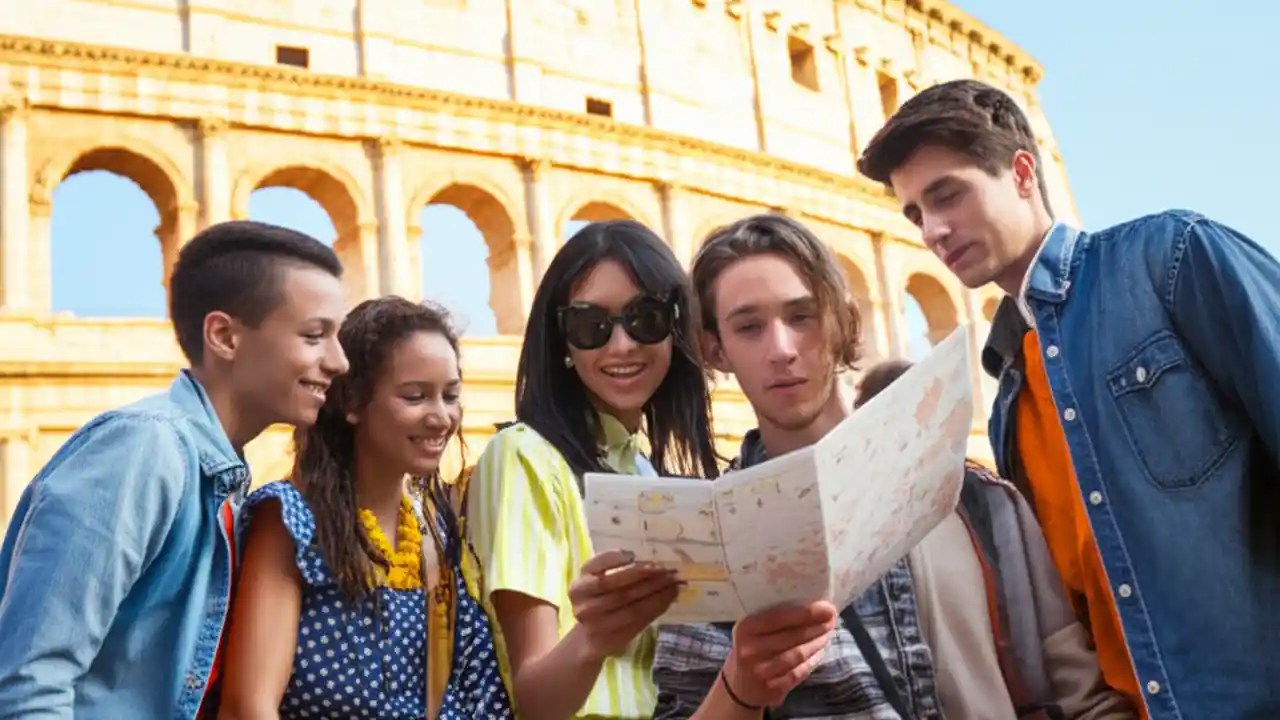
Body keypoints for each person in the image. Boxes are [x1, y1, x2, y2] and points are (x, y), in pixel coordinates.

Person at [857, 77, 1280, 719]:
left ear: (1022, 173)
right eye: (915, 213)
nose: (933, 231)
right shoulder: (1009, 401)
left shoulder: (1168, 258)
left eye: (948, 195)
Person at [652, 213, 1131, 720]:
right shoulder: (707, 544)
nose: (782, 350)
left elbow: (1085, 701)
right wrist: (740, 687)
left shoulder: (975, 500)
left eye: (802, 317)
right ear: (714, 349)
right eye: (749, 327)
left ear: (841, 321)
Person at [0, 221, 350, 718]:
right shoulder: (144, 449)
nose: (339, 362)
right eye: (315, 336)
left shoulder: (219, 477)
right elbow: (29, 685)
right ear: (225, 336)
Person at [465, 219, 722, 720]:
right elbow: (533, 701)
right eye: (591, 326)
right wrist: (594, 636)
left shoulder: (646, 470)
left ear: (675, 327)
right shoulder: (524, 456)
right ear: (562, 342)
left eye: (645, 317)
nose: (621, 344)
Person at [216, 296, 513, 719]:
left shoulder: (439, 530)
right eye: (415, 397)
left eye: (450, 395)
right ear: (353, 402)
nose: (441, 417)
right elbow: (248, 707)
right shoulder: (291, 520)